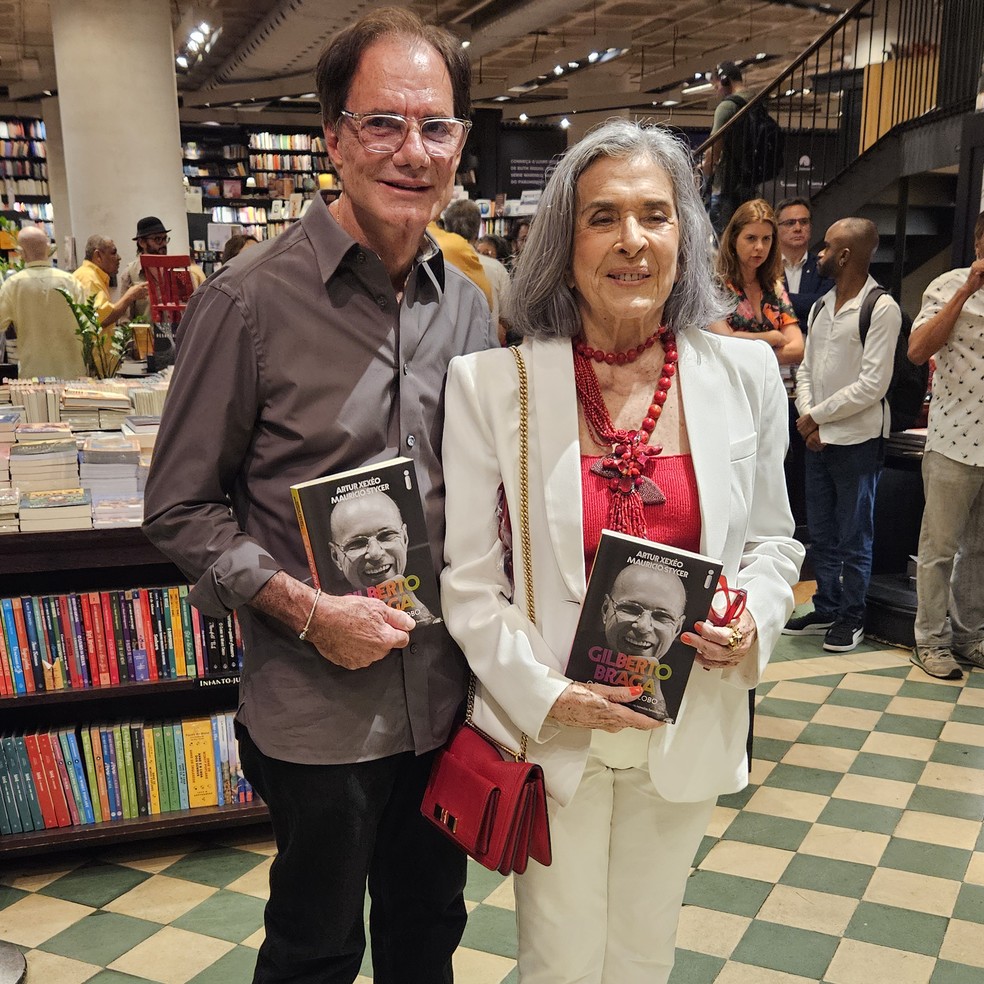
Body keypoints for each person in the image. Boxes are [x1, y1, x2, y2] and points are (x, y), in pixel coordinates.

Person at [142, 8, 492, 984]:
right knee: (314, 951)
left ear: (461, 142)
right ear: (333, 136)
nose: (411, 150)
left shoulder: (465, 305)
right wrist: (306, 610)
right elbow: (180, 507)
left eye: (436, 126)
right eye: (384, 123)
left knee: (429, 937)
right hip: (317, 714)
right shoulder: (246, 303)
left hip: (443, 698)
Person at [441, 119, 804, 984]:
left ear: (687, 234)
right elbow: (469, 582)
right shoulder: (496, 387)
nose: (632, 241)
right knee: (558, 958)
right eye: (602, 217)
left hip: (686, 721)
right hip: (555, 730)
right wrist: (548, 695)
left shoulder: (744, 376)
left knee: (645, 952)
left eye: (655, 214)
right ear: (563, 243)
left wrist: (754, 617)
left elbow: (772, 539)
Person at [783, 218, 901, 652]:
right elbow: (807, 370)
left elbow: (873, 385)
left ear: (846, 255)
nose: (820, 253)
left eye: (827, 246)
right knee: (823, 531)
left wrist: (816, 418)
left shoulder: (880, 307)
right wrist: (809, 417)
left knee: (855, 535)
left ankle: (851, 616)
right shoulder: (820, 306)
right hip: (818, 440)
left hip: (858, 442)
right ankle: (827, 604)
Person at [906, 210, 984, 679]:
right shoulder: (945, 285)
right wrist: (967, 290)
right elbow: (918, 350)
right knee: (938, 549)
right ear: (979, 242)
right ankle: (931, 641)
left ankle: (971, 635)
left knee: (981, 551)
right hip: (954, 442)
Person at [709, 198, 804, 366]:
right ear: (734, 239)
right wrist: (771, 337)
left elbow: (797, 349)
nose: (759, 247)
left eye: (766, 239)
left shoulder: (774, 286)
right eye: (751, 238)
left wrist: (743, 342)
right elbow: (724, 344)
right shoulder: (714, 287)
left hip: (770, 385)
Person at [328, 490, 438, 624]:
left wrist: (423, 617)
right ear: (336, 556)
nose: (375, 553)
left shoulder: (439, 585)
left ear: (404, 538)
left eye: (386, 535)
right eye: (357, 543)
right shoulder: (324, 608)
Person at [601, 564, 687, 722]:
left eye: (662, 617)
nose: (643, 626)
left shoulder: (686, 682)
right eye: (630, 609)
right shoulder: (571, 656)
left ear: (678, 628)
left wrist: (655, 704)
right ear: (606, 610)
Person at [0, 226, 87, 378]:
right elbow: (89, 327)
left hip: (33, 375)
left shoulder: (13, 285)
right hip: (73, 374)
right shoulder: (70, 282)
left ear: (21, 252)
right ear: (49, 248)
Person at [442, 198, 510, 340]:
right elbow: (508, 317)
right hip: (485, 352)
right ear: (478, 227)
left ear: (446, 227)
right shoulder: (495, 268)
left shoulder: (431, 263)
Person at [700, 61, 755, 236]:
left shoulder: (727, 107)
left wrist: (706, 169)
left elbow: (714, 148)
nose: (716, 90)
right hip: (750, 181)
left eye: (716, 85)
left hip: (726, 186)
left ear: (724, 80)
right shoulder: (757, 101)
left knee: (721, 241)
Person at [118, 216, 206, 321]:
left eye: (165, 238)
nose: (164, 244)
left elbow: (194, 306)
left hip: (178, 335)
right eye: (158, 239)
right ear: (142, 242)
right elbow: (125, 318)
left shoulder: (179, 271)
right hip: (147, 336)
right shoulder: (130, 274)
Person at [776, 197, 833, 329]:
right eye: (790, 223)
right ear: (776, 228)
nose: (798, 228)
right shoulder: (765, 267)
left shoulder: (825, 266)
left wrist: (777, 300)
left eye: (804, 222)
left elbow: (825, 306)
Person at [73, 235, 148, 327]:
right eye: (113, 253)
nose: (119, 257)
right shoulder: (88, 278)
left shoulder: (93, 276)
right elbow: (103, 318)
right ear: (98, 256)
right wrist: (129, 296)